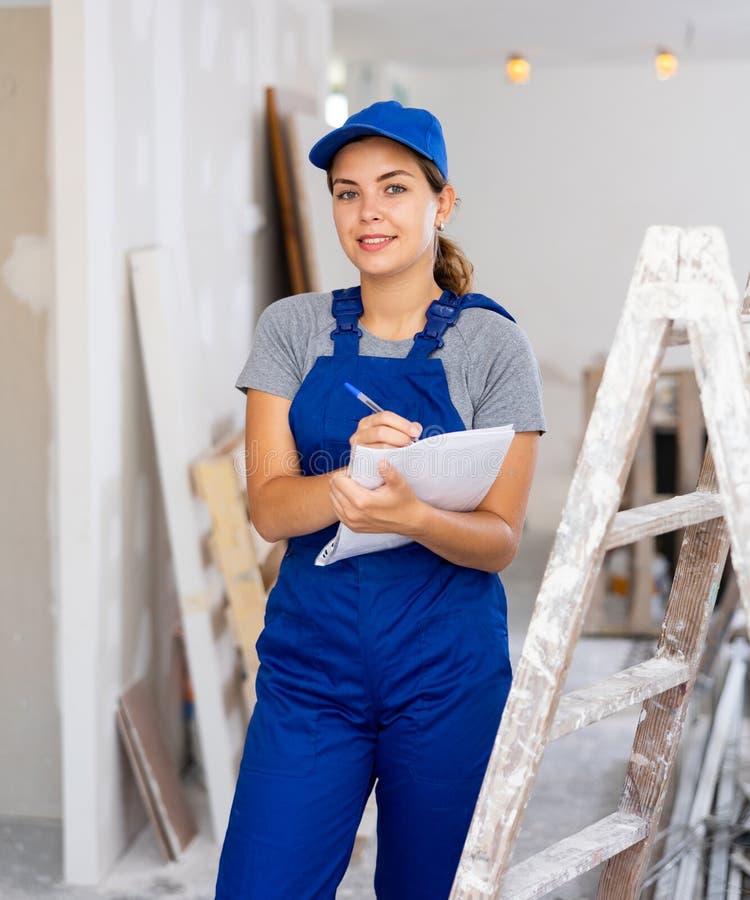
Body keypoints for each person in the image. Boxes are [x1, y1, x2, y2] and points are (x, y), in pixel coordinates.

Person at [215, 99, 546, 899]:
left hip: (446, 675)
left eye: (394, 188)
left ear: (442, 201)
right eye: (347, 191)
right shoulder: (291, 330)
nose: (369, 213)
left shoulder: (493, 346)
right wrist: (344, 482)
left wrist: (415, 517)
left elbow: (500, 538)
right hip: (310, 672)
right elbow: (267, 507)